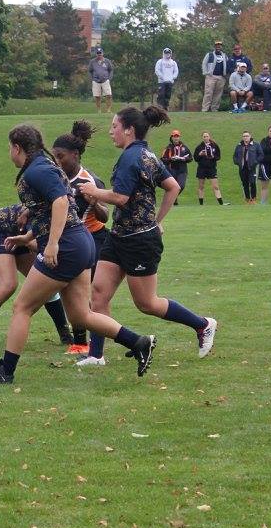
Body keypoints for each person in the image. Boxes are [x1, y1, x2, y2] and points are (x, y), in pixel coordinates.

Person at [0, 123, 156, 383]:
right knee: (81, 315)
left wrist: (52, 244)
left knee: (22, 307)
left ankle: (6, 371)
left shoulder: (37, 169)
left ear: (17, 148)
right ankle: (138, 343)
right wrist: (28, 237)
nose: (9, 153)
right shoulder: (43, 165)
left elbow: (60, 202)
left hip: (68, 246)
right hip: (80, 242)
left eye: (9, 148)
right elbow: (51, 208)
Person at [75, 106, 216, 370]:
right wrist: (157, 220)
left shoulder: (132, 157)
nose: (111, 132)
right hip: (118, 236)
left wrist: (95, 191)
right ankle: (96, 355)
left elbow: (121, 197)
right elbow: (172, 186)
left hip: (139, 241)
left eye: (114, 126)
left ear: (129, 130)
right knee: (99, 294)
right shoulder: (146, 154)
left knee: (147, 303)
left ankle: (203, 324)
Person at [0, 203, 75, 351]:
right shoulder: (45, 214)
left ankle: (65, 335)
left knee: (46, 282)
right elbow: (33, 242)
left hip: (22, 235)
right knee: (8, 285)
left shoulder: (69, 214)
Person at [51, 121, 109, 356]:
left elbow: (105, 216)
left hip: (92, 240)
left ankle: (86, 343)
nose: (57, 162)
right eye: (54, 157)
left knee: (81, 293)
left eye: (61, 157)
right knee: (67, 290)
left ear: (75, 155)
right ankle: (79, 341)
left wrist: (95, 202)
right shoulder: (56, 178)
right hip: (69, 240)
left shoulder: (90, 181)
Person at [193, 131, 226, 205]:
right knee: (201, 186)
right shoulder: (199, 147)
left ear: (209, 137)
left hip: (212, 168)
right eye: (204, 136)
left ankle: (221, 203)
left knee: (215, 186)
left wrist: (213, 156)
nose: (206, 138)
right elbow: (195, 158)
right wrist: (200, 154)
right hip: (201, 168)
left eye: (207, 136)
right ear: (202, 138)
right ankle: (201, 204)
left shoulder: (214, 145)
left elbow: (218, 157)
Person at [160, 129, 192, 203]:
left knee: (181, 186)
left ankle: (173, 198)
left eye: (177, 136)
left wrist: (183, 159)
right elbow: (162, 159)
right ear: (171, 137)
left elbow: (190, 158)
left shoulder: (184, 147)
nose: (176, 138)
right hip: (171, 170)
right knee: (172, 186)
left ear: (179, 137)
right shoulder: (168, 148)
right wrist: (171, 159)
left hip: (182, 170)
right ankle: (173, 200)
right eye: (174, 136)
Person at [233, 130, 263, 204]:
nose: (245, 137)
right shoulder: (239, 146)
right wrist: (238, 163)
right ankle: (247, 199)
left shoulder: (256, 145)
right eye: (244, 136)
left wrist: (255, 162)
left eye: (247, 136)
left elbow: (261, 155)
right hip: (242, 168)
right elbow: (235, 156)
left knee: (252, 183)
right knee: (245, 184)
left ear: (250, 136)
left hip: (252, 168)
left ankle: (253, 199)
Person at [201, 40, 228, 111]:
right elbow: (204, 64)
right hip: (211, 76)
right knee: (208, 93)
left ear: (221, 47)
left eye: (220, 45)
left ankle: (214, 109)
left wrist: (225, 75)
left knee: (218, 94)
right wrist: (206, 73)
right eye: (217, 45)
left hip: (221, 77)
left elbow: (227, 65)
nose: (218, 47)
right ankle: (205, 109)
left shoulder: (225, 56)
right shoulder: (209, 55)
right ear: (214, 46)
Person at [89, 47, 114, 112]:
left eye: (100, 53)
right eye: (98, 53)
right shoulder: (92, 62)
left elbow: (111, 70)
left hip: (105, 80)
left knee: (109, 95)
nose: (99, 55)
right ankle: (99, 110)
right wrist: (92, 79)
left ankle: (108, 110)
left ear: (102, 53)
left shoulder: (107, 61)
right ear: (96, 54)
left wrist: (109, 78)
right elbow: (90, 71)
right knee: (97, 96)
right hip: (96, 81)